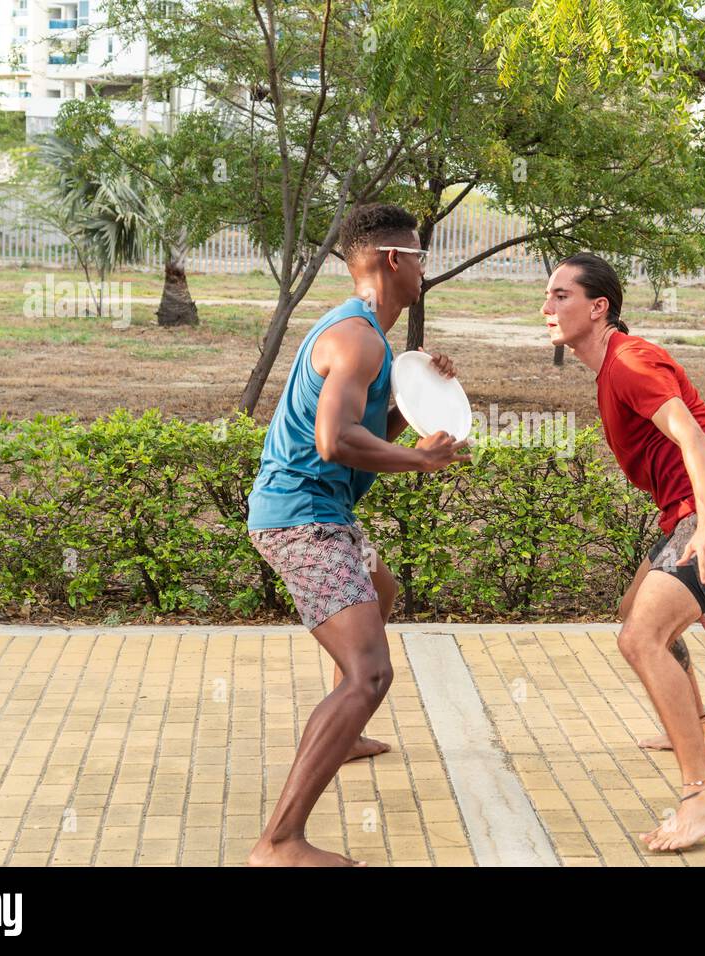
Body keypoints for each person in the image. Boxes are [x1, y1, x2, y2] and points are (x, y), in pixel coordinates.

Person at [245, 203, 469, 866]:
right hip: (301, 518)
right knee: (369, 675)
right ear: (394, 260)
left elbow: (368, 430)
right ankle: (279, 843)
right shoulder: (359, 338)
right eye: (421, 255)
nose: (425, 267)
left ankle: (345, 731)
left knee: (381, 588)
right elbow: (335, 439)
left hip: (322, 511)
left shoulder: (368, 337)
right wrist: (422, 460)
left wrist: (413, 402)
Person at [542, 252, 705, 852]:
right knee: (635, 613)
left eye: (561, 296)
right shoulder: (613, 364)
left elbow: (692, 435)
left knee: (640, 637)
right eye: (548, 296)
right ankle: (696, 726)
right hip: (685, 516)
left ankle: (702, 796)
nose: (547, 308)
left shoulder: (630, 361)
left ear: (598, 307)